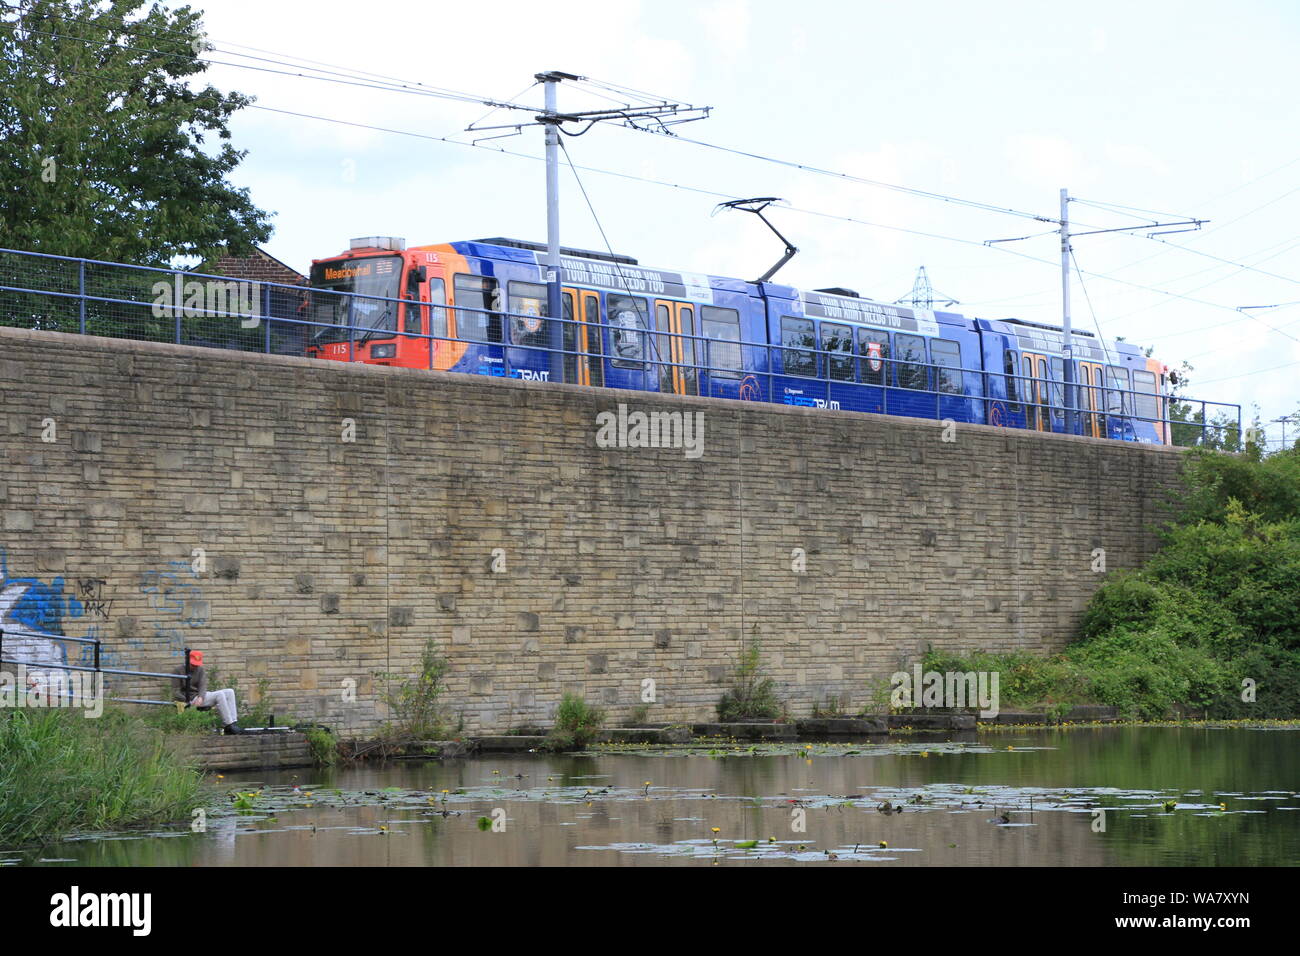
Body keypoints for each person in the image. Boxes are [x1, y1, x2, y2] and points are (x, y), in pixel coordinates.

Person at [175, 649, 245, 734]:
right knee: (219, 694)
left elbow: (203, 685)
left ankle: (233, 723)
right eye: (193, 664)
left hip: (200, 696)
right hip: (190, 699)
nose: (195, 666)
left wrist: (201, 697)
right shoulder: (179, 670)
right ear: (188, 661)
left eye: (196, 665)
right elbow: (175, 691)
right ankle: (229, 725)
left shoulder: (200, 670)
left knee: (230, 692)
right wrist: (187, 701)